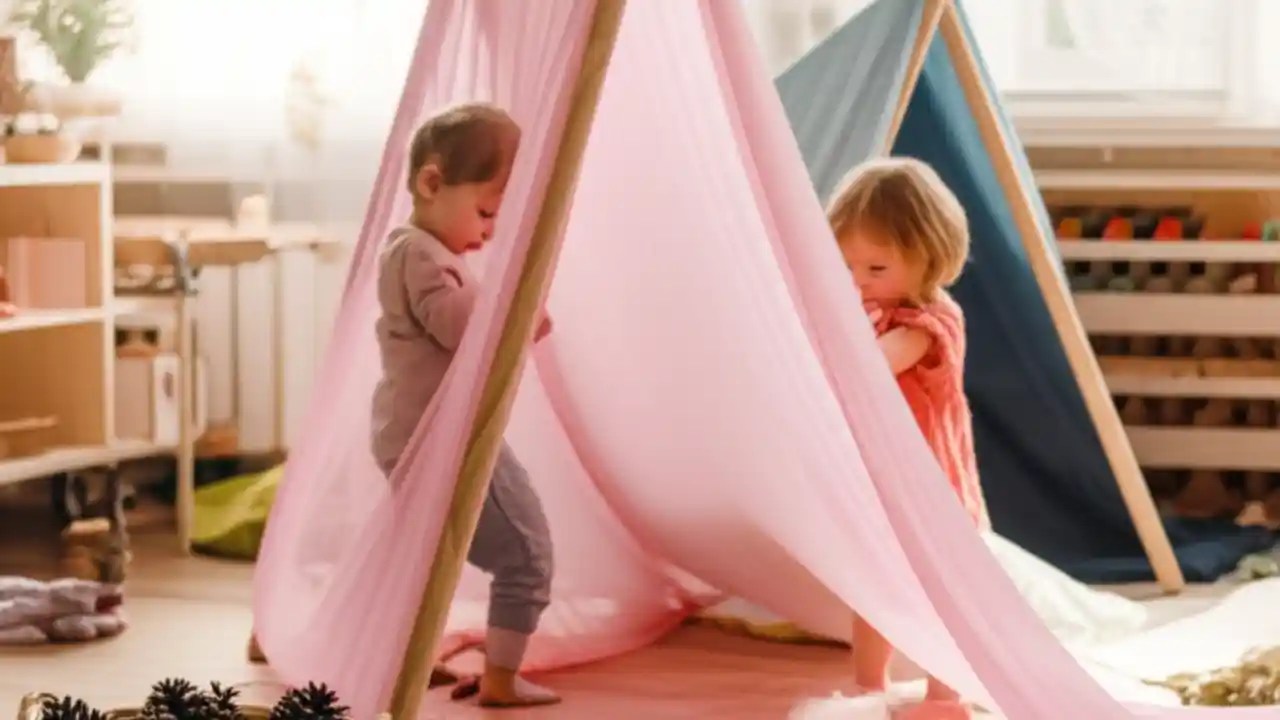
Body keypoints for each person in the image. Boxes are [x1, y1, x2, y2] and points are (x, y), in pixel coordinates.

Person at [370, 101, 557, 708]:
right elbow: (458, 328)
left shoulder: (426, 253)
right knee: (527, 552)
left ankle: (410, 657)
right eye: (483, 212)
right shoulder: (418, 254)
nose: (488, 232)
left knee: (428, 563)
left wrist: (515, 318)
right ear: (431, 183)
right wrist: (516, 310)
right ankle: (501, 679)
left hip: (423, 436)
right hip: (440, 441)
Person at [827, 156, 987, 720]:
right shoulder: (865, 308)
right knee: (873, 588)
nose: (857, 281)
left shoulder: (928, 322)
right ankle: (869, 684)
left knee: (938, 595)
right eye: (845, 265)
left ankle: (946, 694)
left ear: (929, 261)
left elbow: (873, 366)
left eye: (875, 268)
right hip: (879, 480)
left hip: (929, 483)